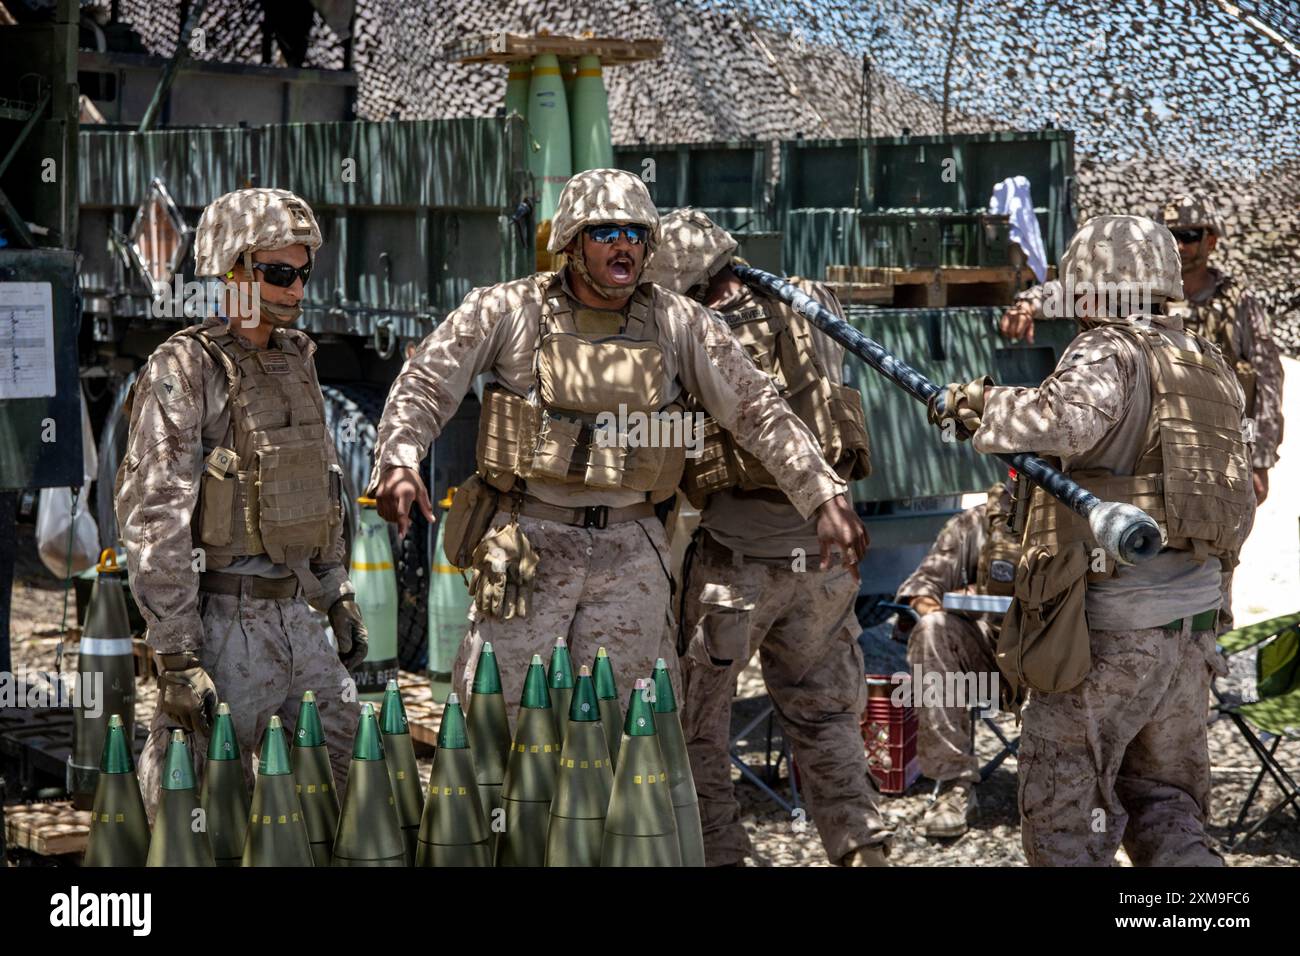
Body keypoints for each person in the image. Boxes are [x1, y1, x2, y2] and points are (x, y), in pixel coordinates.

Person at [369, 170, 866, 719]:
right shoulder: (510, 310)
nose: (623, 244)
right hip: (529, 549)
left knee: (630, 732)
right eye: (606, 233)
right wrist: (399, 458)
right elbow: (427, 382)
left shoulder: (680, 323)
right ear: (573, 243)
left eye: (635, 233)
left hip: (632, 551)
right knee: (500, 724)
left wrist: (824, 497)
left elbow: (757, 411)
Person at [929, 215, 1255, 866]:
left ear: (1093, 288)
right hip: (1188, 625)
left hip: (1111, 631)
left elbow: (1062, 422)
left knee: (1065, 816)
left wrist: (978, 404)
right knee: (1165, 805)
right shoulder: (1203, 361)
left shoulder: (1110, 349)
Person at [642, 209, 888, 867]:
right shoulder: (810, 301)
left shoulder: (699, 334)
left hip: (739, 565)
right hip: (826, 565)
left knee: (698, 724)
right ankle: (862, 845)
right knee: (826, 719)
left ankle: (722, 853)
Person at [115, 188, 366, 816]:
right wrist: (174, 652)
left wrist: (336, 592)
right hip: (223, 622)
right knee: (201, 805)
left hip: (296, 616)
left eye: (303, 272)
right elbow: (154, 513)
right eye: (279, 273)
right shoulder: (186, 367)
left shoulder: (296, 358)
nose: (296, 287)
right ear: (233, 270)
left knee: (345, 780)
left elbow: (322, 485)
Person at [894, 482, 1019, 838]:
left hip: (1060, 665)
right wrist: (956, 605)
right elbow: (922, 587)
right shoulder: (976, 524)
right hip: (991, 663)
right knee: (933, 628)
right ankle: (954, 786)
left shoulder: (1080, 521)